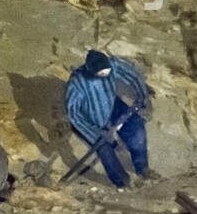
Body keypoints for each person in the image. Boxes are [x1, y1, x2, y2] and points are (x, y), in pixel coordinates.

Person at [64, 50, 151, 189]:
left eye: (107, 71)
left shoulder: (112, 65)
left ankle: (143, 169)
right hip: (90, 117)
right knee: (104, 148)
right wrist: (96, 134)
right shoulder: (77, 82)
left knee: (136, 128)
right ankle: (122, 182)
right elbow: (74, 114)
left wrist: (141, 99)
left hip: (111, 105)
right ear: (91, 71)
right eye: (101, 73)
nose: (106, 74)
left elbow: (133, 76)